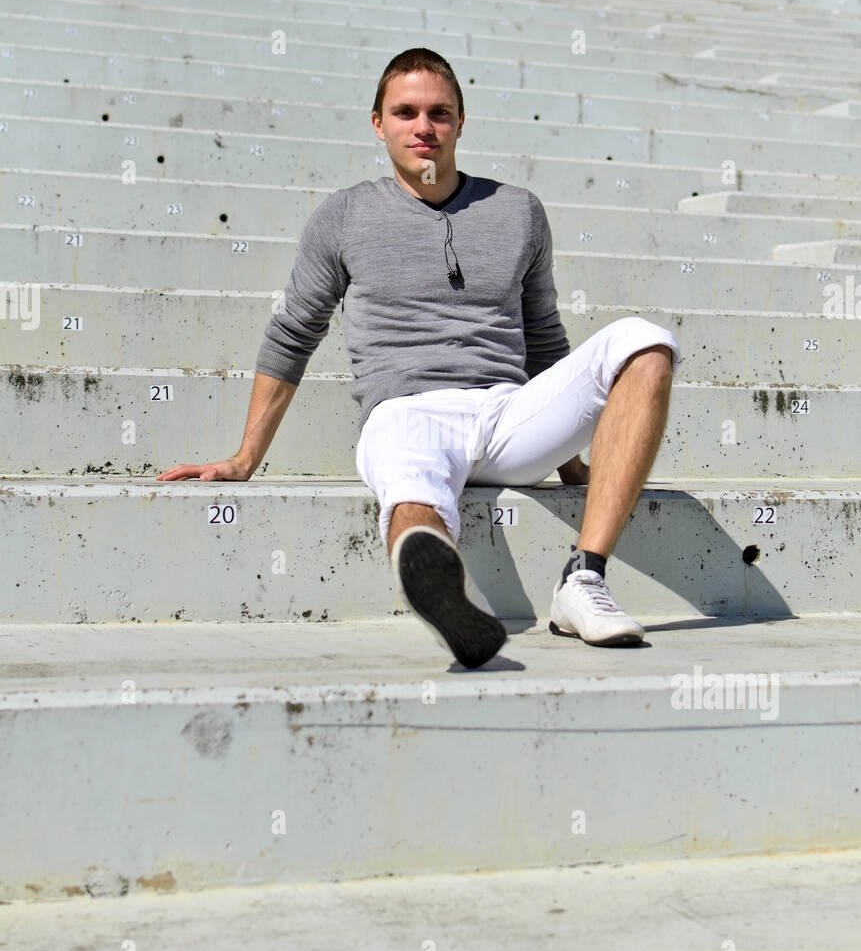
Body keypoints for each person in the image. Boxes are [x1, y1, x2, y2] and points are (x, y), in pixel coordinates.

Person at [157, 48, 681, 669]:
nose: (423, 127)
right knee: (413, 499)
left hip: (508, 414)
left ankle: (583, 580)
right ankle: (442, 591)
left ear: (461, 122)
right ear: (378, 123)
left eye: (439, 113)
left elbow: (543, 339)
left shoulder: (519, 212)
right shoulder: (344, 216)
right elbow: (294, 333)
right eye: (405, 112)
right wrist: (245, 459)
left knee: (646, 342)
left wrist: (572, 466)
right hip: (405, 412)